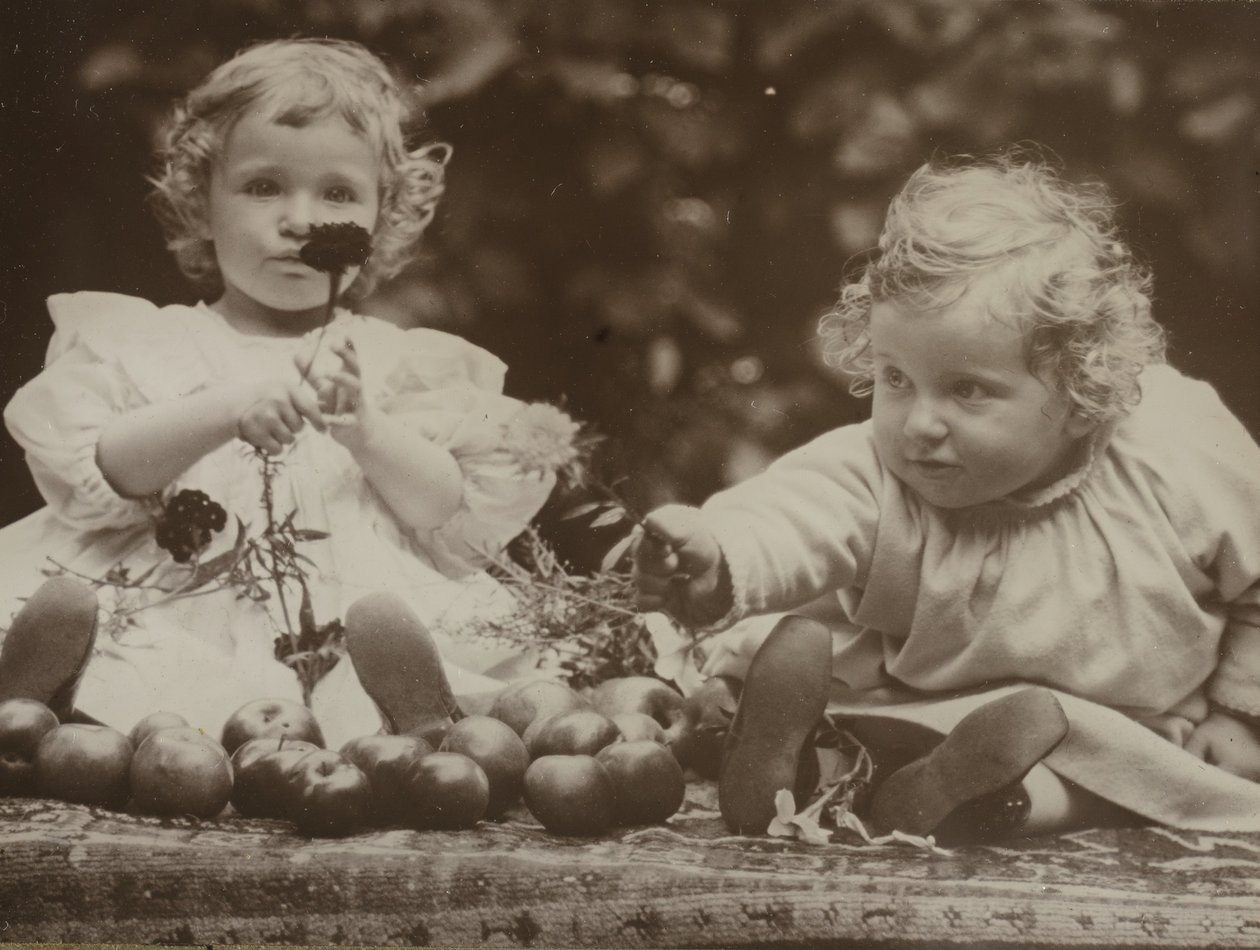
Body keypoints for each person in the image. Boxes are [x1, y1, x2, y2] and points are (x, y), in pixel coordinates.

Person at [634, 150, 1260, 844]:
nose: (920, 423)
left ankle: (953, 796)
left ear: (1083, 395)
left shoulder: (1175, 453)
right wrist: (718, 555)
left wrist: (1239, 712)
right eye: (896, 379)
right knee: (847, 717)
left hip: (1119, 726)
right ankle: (792, 763)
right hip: (906, 704)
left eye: (968, 390)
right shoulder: (883, 474)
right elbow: (796, 514)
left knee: (1113, 779)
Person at [0, 39, 563, 749]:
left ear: (379, 220)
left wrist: (367, 431)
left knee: (382, 635)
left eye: (338, 193)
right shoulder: (146, 342)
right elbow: (99, 475)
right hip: (178, 601)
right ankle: (43, 699)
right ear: (202, 205)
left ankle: (409, 719)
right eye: (264, 187)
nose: (301, 219)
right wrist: (225, 409)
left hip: (338, 618)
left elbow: (446, 513)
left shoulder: (398, 365)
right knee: (128, 655)